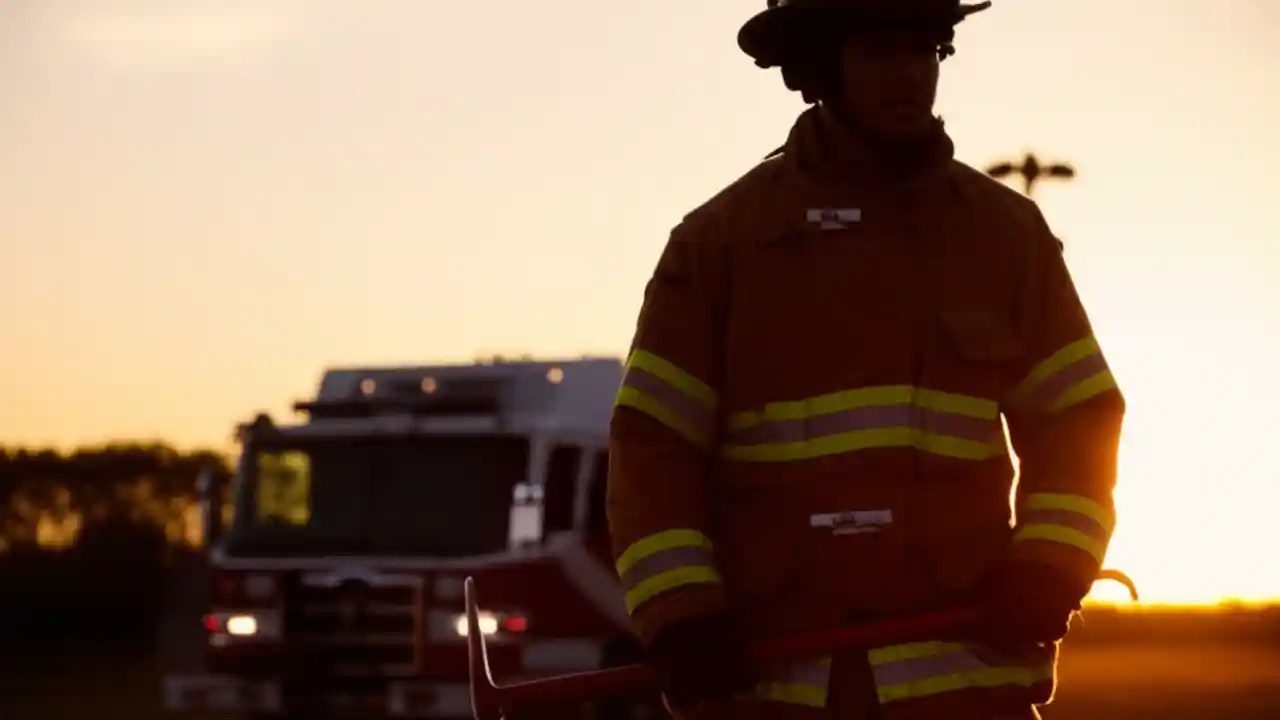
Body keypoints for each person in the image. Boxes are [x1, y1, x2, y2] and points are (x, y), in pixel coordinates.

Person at [605, 1, 1126, 719]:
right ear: (820, 66)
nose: (910, 75)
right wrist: (681, 612)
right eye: (882, 52)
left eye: (925, 50)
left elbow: (1078, 418)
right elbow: (652, 451)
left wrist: (1051, 563)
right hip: (773, 691)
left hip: (968, 687)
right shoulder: (718, 246)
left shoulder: (1005, 237)